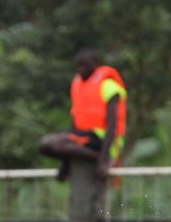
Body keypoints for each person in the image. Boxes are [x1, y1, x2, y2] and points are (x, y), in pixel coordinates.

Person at [39, 48, 126, 181]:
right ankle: (77, 160)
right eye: (78, 66)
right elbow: (76, 121)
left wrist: (103, 159)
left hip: (102, 140)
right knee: (47, 144)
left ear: (96, 64)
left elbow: (111, 126)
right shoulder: (78, 85)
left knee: (52, 144)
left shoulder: (108, 86)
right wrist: (65, 161)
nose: (81, 69)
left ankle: (101, 158)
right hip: (84, 137)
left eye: (85, 65)